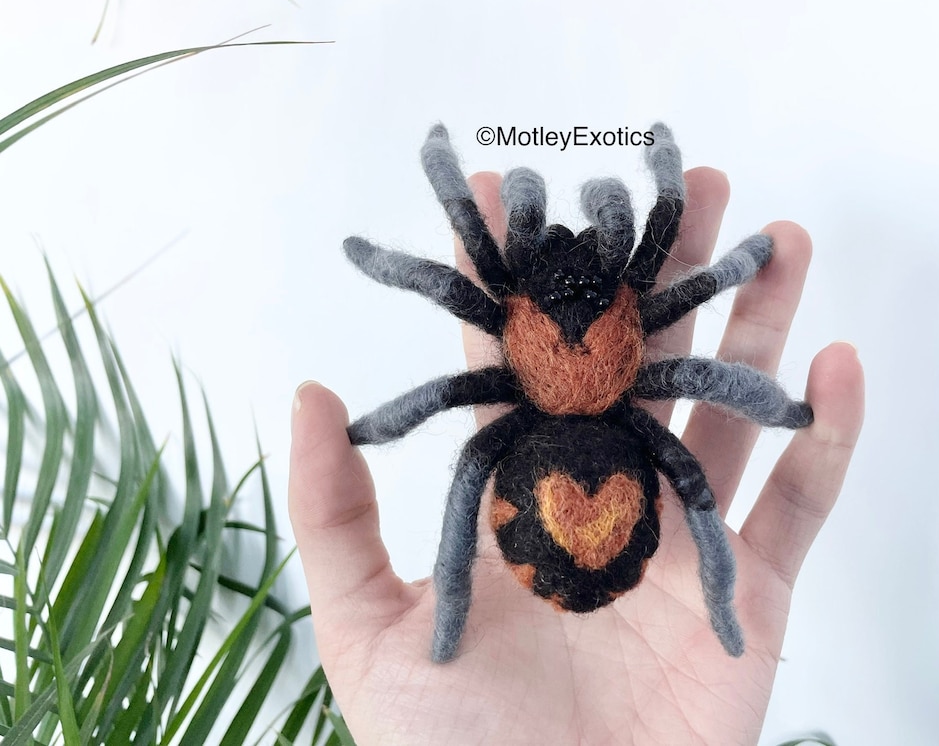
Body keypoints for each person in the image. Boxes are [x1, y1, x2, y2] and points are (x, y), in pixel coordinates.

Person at [289, 167, 865, 744]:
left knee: (472, 470)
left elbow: (430, 293)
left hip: (575, 499)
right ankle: (717, 608)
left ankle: (451, 619)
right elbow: (710, 283)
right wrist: (783, 403)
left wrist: (372, 425)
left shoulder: (504, 310)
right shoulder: (641, 313)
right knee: (691, 477)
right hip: (603, 473)